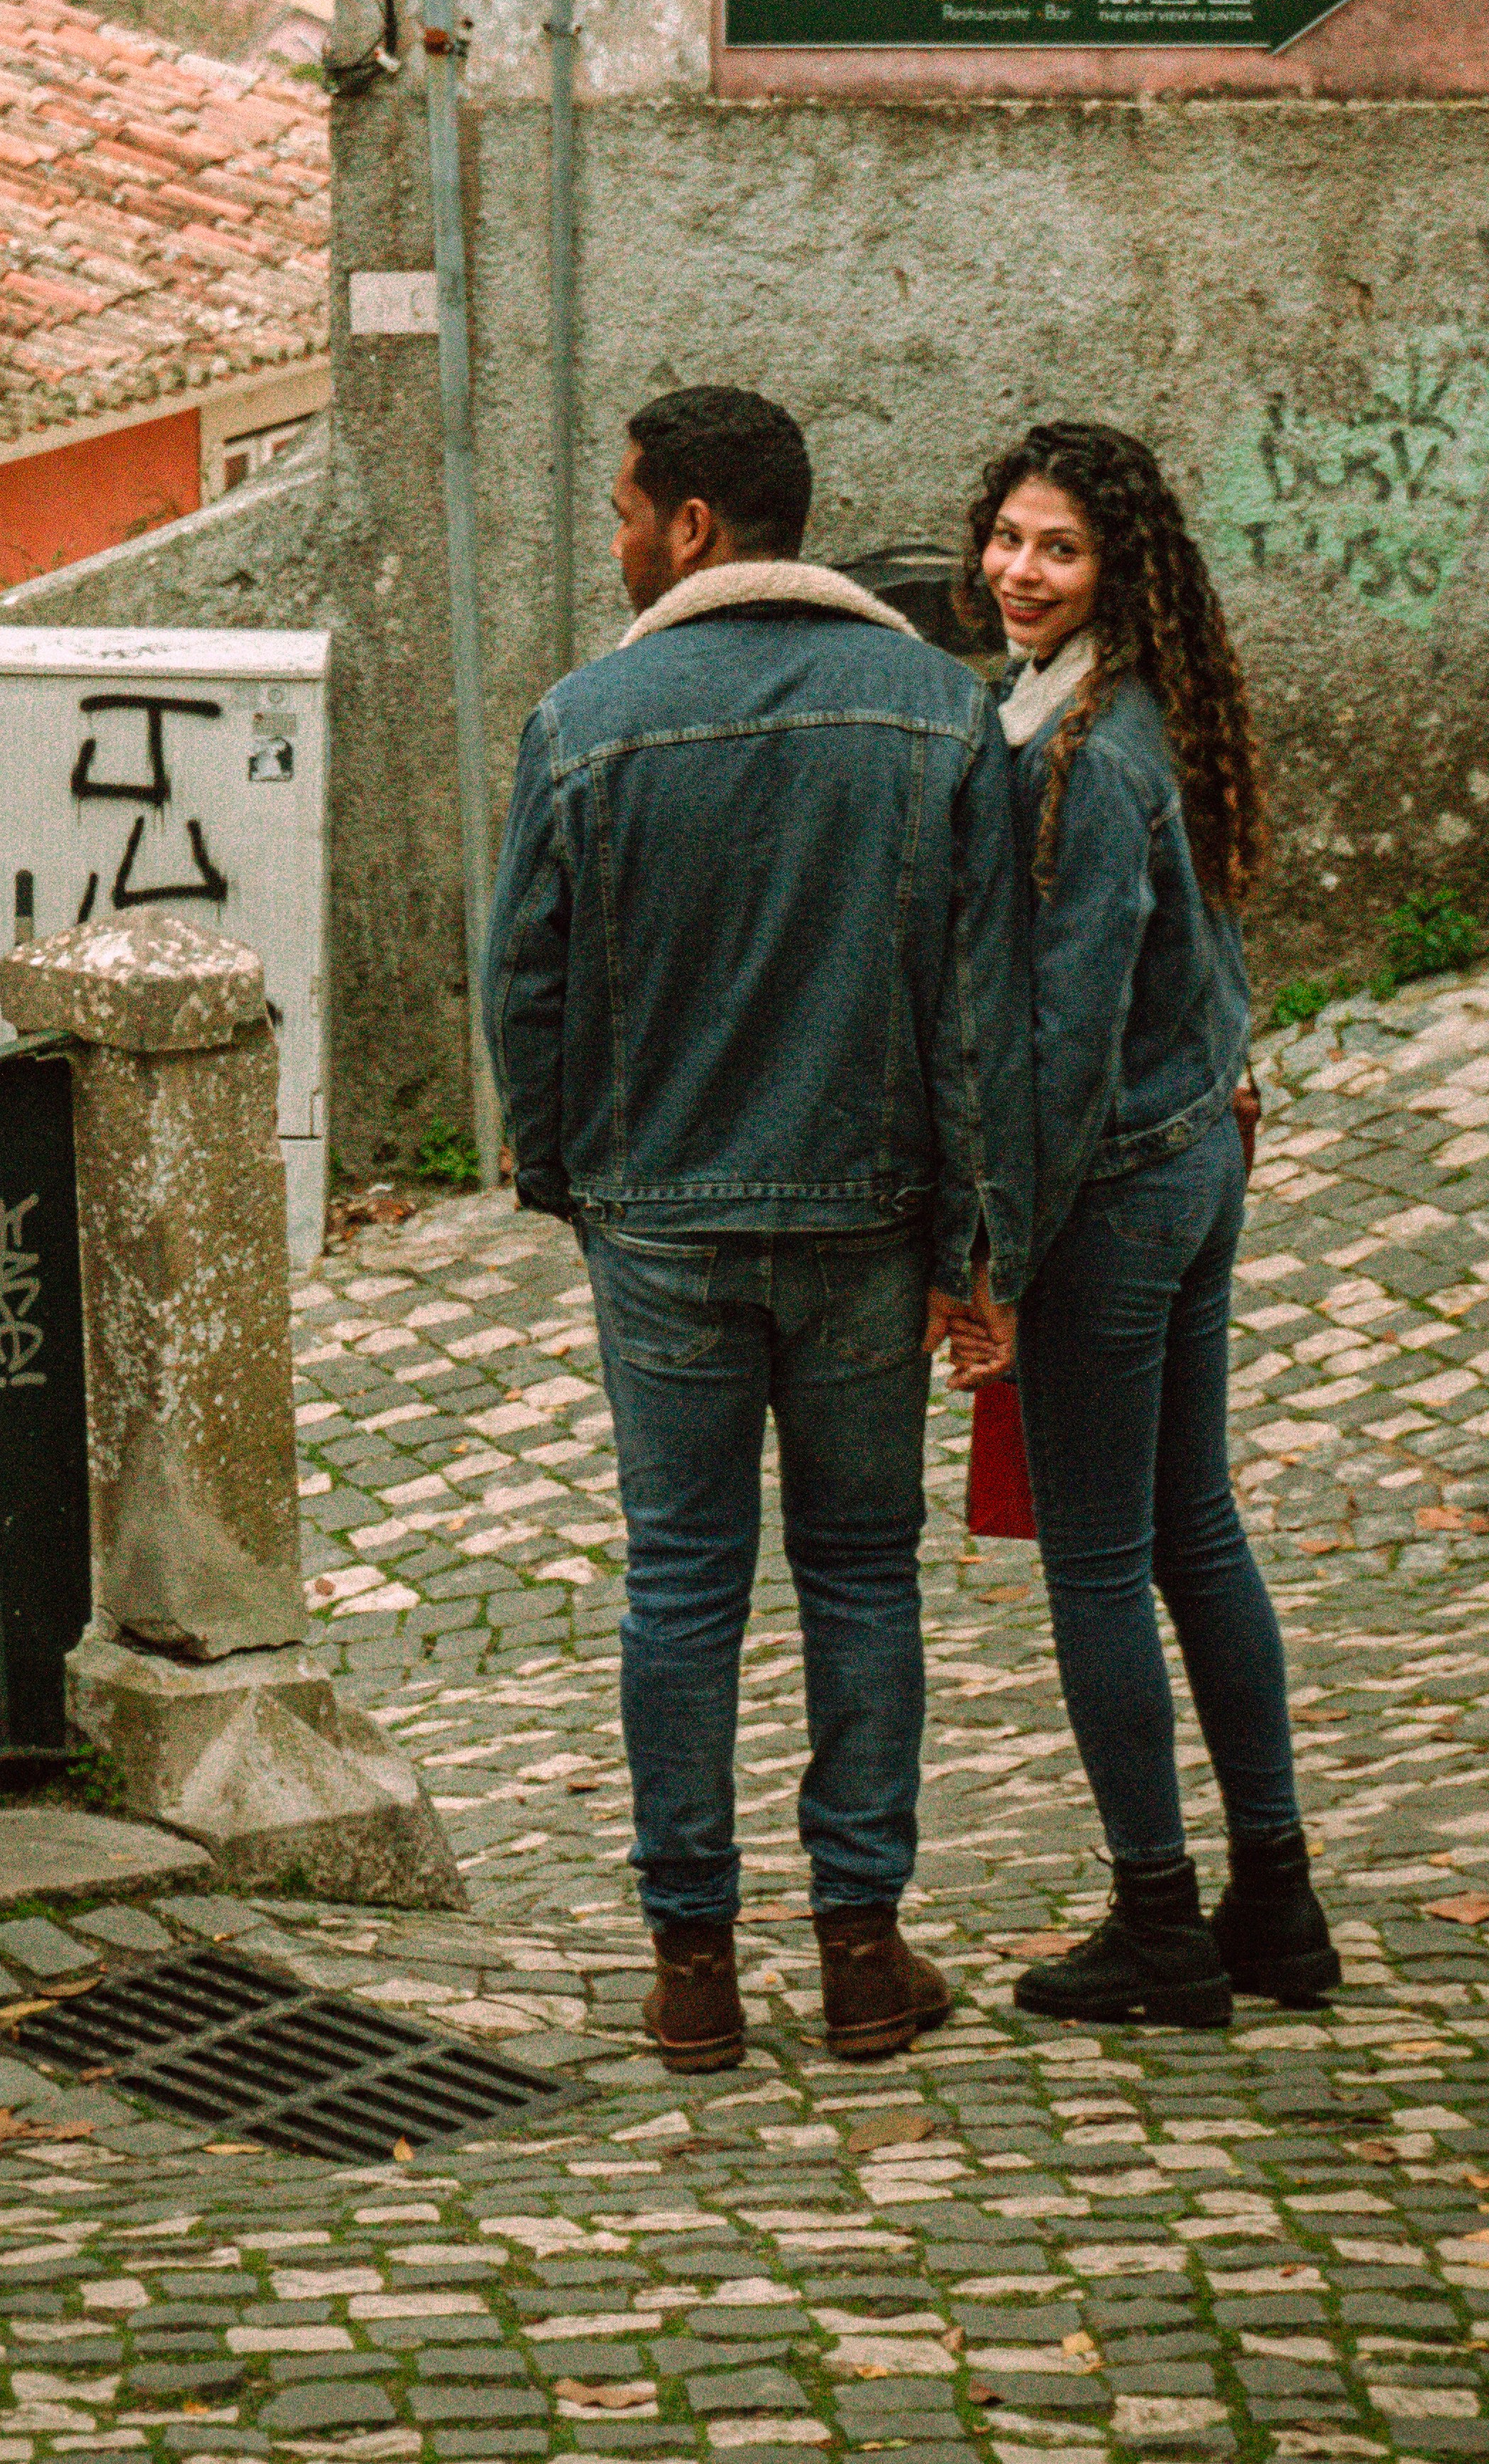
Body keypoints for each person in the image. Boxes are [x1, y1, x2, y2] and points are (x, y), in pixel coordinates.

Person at [483, 383, 1032, 2075]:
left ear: (696, 529)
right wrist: (970, 1237)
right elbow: (975, 1010)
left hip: (661, 1227)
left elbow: (527, 985)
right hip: (866, 1215)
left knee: (681, 1582)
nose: (621, 545)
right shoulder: (937, 715)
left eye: (629, 514)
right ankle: (861, 1956)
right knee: (861, 1578)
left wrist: (573, 1177)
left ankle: (692, 1972)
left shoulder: (585, 721)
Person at [942, 420, 1340, 2029]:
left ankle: (1161, 1926)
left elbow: (1058, 1043)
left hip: (1110, 1195)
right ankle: (1279, 1907)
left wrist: (996, 1262)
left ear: (1118, 574)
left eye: (1057, 552)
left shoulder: (1079, 761)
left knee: (1099, 1565)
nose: (1017, 573)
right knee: (1196, 1531)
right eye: (1007, 540)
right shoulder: (1148, 714)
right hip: (1195, 1163)